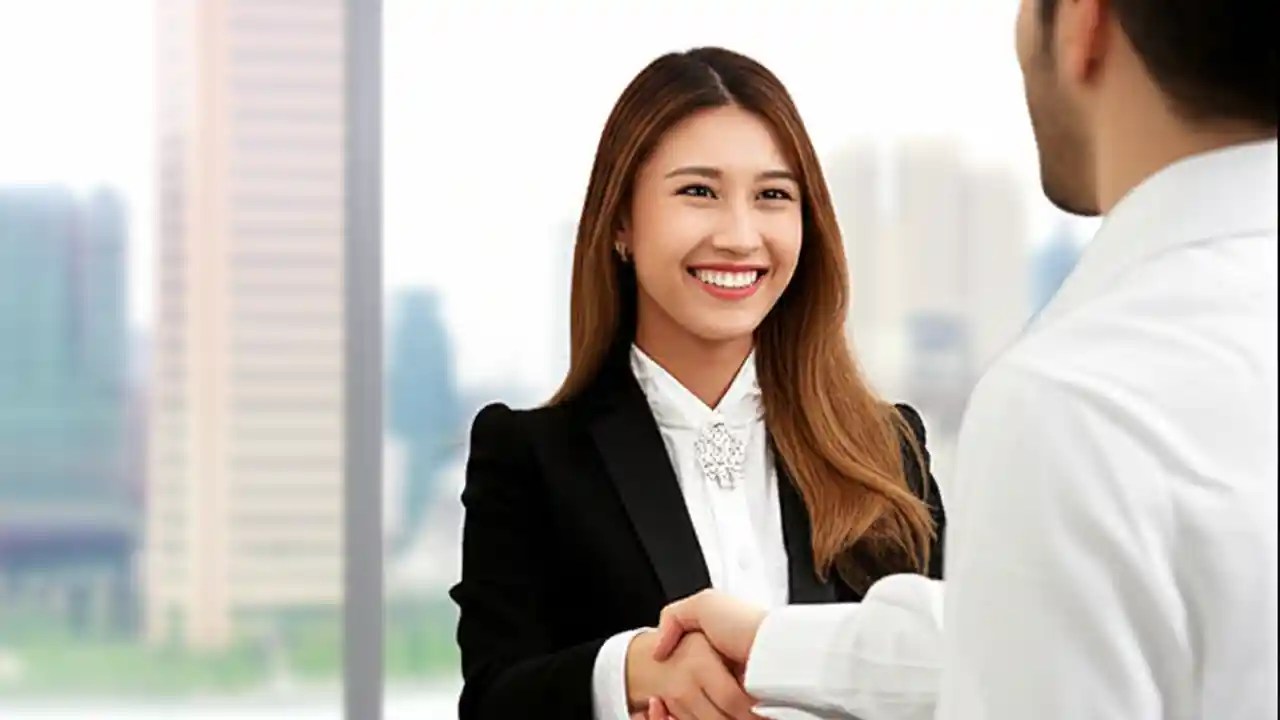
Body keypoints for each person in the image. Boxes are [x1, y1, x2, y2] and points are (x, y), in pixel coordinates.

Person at [646, 0, 1278, 718]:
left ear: (1082, 23)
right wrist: (779, 646)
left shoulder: (1080, 402)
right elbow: (1029, 634)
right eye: (699, 191)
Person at [448, 47, 946, 720]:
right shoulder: (531, 456)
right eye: (698, 192)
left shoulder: (886, 448)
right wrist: (624, 672)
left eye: (773, 195)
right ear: (621, 220)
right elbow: (493, 700)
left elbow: (971, 676)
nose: (741, 236)